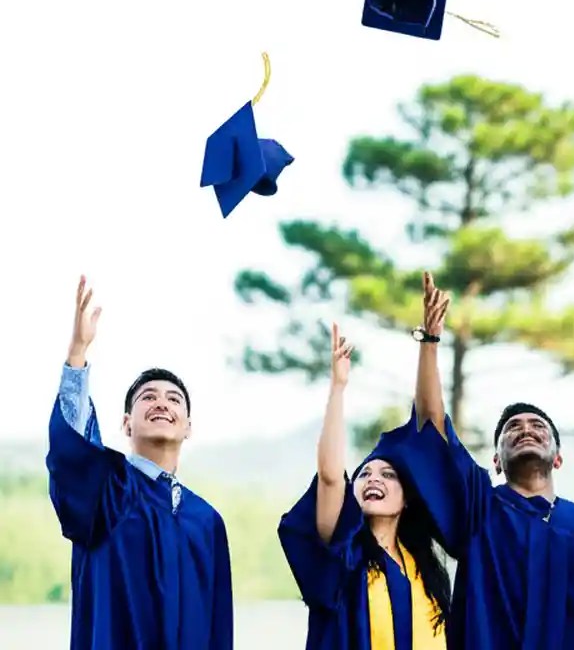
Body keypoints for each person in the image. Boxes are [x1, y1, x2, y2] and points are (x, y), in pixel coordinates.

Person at [404, 271, 574, 649]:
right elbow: (431, 430)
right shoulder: (478, 510)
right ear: (495, 461)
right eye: (513, 427)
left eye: (538, 425)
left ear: (558, 458)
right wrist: (430, 341)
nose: (526, 429)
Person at [45, 275, 233, 649]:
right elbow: (73, 456)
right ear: (127, 423)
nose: (162, 403)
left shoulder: (207, 521)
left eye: (174, 399)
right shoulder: (107, 494)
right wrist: (78, 352)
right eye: (148, 397)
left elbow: (218, 626)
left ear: (188, 427)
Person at [278, 322, 452, 649]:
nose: (373, 478)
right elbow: (330, 476)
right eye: (365, 474)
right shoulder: (343, 554)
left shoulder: (424, 571)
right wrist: (338, 387)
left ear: (407, 499)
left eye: (388, 475)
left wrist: (429, 344)